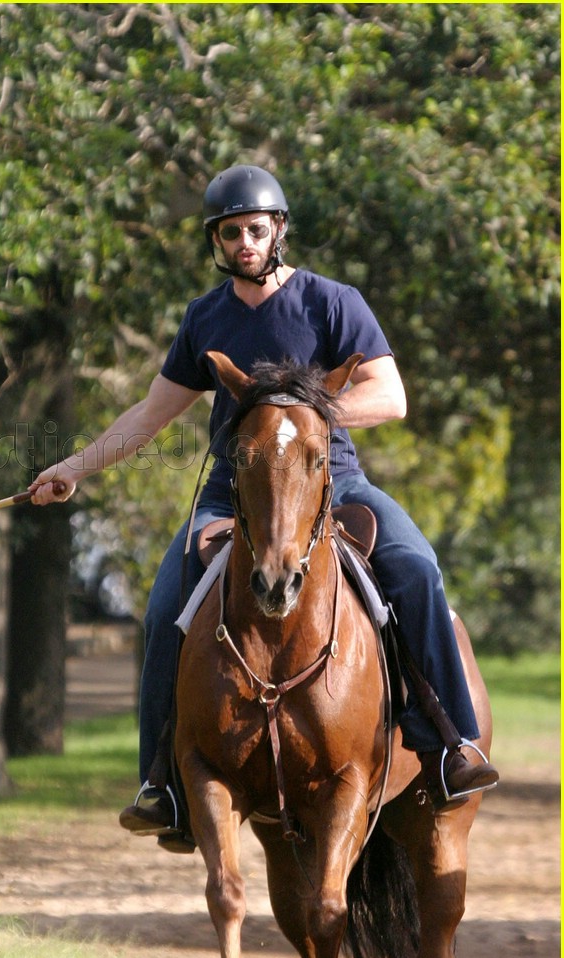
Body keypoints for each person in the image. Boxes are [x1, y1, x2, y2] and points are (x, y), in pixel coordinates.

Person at [30, 164, 498, 849]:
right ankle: (162, 785)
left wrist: (304, 415)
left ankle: (453, 742)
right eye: (231, 233)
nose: (244, 242)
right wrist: (73, 468)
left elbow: (390, 395)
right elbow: (152, 414)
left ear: (278, 230)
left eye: (255, 229)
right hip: (235, 490)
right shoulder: (205, 317)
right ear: (217, 242)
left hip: (331, 479)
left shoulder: (332, 302)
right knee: (163, 611)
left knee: (418, 567)